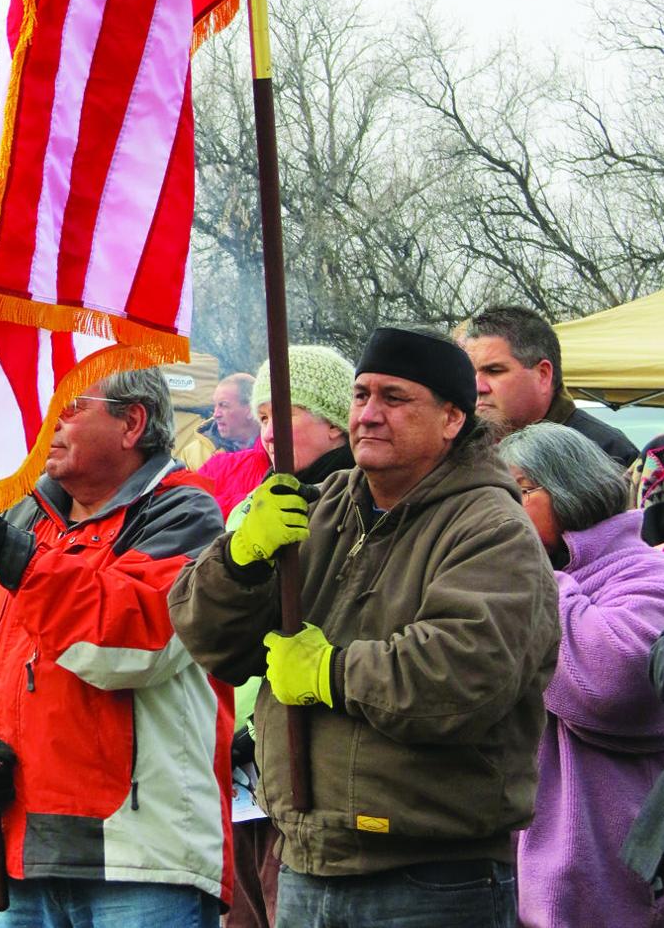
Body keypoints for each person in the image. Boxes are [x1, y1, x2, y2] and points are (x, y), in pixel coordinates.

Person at [169, 325, 561, 928]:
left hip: (432, 876)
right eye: (360, 396)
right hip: (305, 860)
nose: (369, 415)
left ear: (452, 419)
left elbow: (465, 674)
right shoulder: (319, 507)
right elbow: (211, 639)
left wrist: (329, 671)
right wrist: (239, 561)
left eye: (394, 399)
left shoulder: (491, 527)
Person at [0, 367, 232, 928]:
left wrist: (18, 561)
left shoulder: (186, 514)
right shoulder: (20, 518)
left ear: (131, 423)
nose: (47, 422)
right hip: (19, 850)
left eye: (68, 407)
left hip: (141, 861)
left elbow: (135, 645)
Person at [498, 422, 664, 928]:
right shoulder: (518, 575)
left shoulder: (647, 570)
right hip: (521, 878)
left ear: (570, 487)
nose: (501, 514)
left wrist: (532, 576)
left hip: (616, 885)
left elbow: (606, 681)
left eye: (517, 492)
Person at [227, 345, 355, 928]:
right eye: (260, 420)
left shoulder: (364, 505)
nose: (269, 434)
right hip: (251, 767)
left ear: (334, 420)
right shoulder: (257, 506)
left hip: (321, 777)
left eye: (284, 413)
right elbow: (222, 636)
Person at [459, 304, 637, 466]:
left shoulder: (609, 454)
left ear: (543, 375)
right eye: (470, 373)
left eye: (494, 371)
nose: (478, 387)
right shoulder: (457, 450)